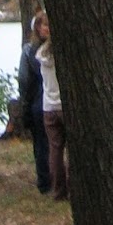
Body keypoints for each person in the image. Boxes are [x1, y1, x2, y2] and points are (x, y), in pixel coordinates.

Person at [18, 11, 51, 194]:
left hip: (44, 101)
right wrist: (25, 101)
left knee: (46, 143)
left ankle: (48, 181)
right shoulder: (31, 51)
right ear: (38, 28)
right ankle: (45, 180)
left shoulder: (29, 51)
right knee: (41, 143)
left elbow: (23, 79)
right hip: (39, 101)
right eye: (45, 25)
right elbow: (24, 80)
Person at [37, 17, 69, 200]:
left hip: (48, 106)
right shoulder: (63, 55)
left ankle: (58, 190)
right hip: (64, 105)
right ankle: (73, 187)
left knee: (55, 150)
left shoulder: (41, 54)